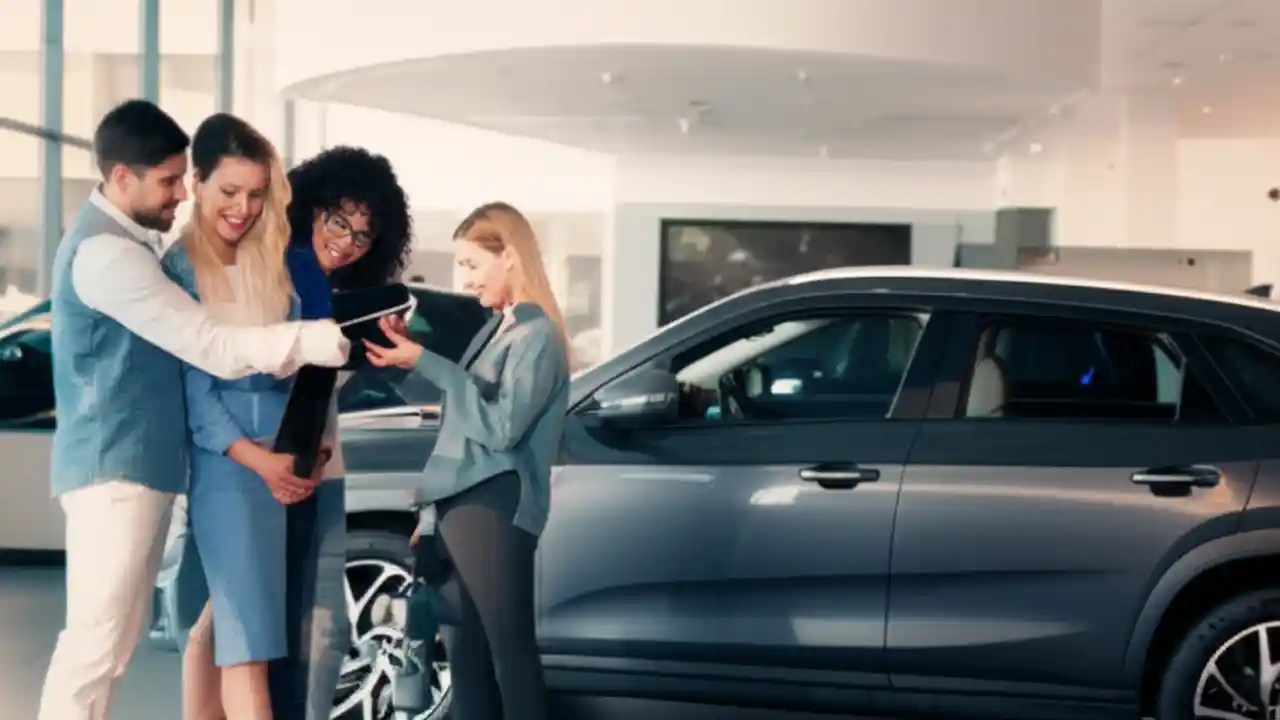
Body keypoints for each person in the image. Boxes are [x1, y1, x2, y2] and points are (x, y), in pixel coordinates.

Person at [38, 99, 348, 720]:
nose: (181, 194)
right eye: (171, 181)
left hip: (141, 471)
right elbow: (209, 347)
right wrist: (311, 340)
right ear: (122, 177)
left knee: (114, 649)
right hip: (116, 473)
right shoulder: (110, 255)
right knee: (97, 649)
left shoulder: (129, 247)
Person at [364, 201, 571, 720]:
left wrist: (429, 363)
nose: (466, 280)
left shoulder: (537, 337)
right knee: (466, 661)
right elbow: (460, 420)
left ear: (511, 259)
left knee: (510, 655)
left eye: (473, 265)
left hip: (497, 506)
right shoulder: (497, 330)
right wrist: (431, 517)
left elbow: (501, 430)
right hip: (460, 510)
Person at [161, 113, 323, 720]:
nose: (243, 208)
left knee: (225, 622)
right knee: (249, 644)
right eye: (230, 191)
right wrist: (263, 465)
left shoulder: (271, 266)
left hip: (278, 467)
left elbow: (305, 367)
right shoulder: (179, 270)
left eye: (256, 194)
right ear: (197, 181)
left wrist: (306, 451)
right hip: (230, 472)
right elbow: (195, 395)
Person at [271, 145, 414, 720]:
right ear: (308, 207)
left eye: (362, 235)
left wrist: (371, 351)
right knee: (245, 634)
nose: (347, 241)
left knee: (325, 629)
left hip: (323, 472)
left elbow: (327, 387)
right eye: (339, 221)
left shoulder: (341, 299)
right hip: (259, 472)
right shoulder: (273, 274)